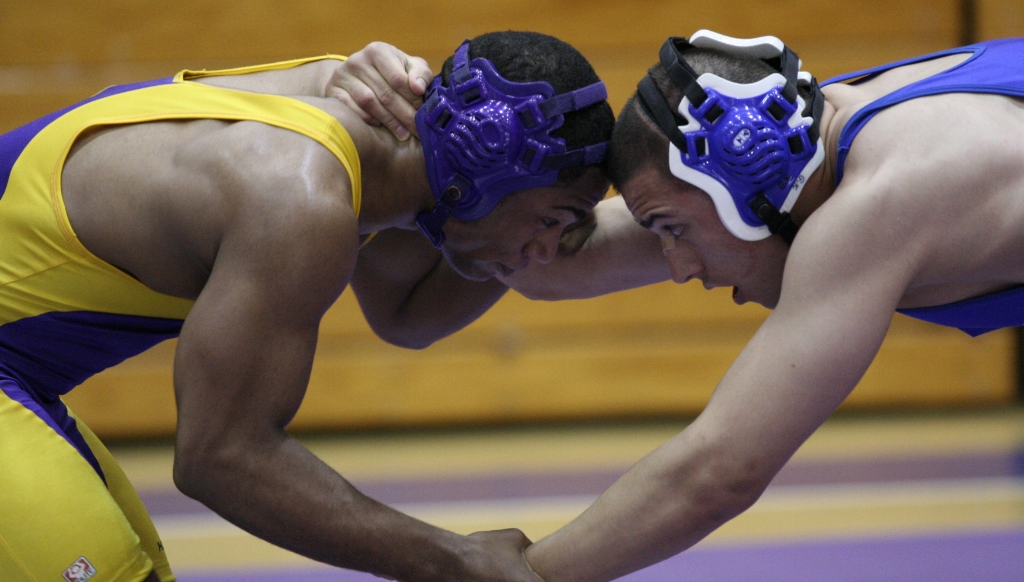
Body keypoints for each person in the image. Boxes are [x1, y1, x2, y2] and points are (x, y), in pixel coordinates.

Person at [361, 32, 1024, 582]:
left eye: (673, 230)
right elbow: (544, 264)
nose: (678, 268)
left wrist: (519, 576)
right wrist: (406, 137)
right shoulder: (797, 150)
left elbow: (718, 472)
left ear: (748, 190)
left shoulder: (888, 195)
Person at [0, 31, 614, 582]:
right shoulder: (298, 199)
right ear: (484, 169)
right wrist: (453, 562)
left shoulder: (362, 121)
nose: (547, 251)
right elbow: (221, 456)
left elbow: (407, 315)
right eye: (552, 221)